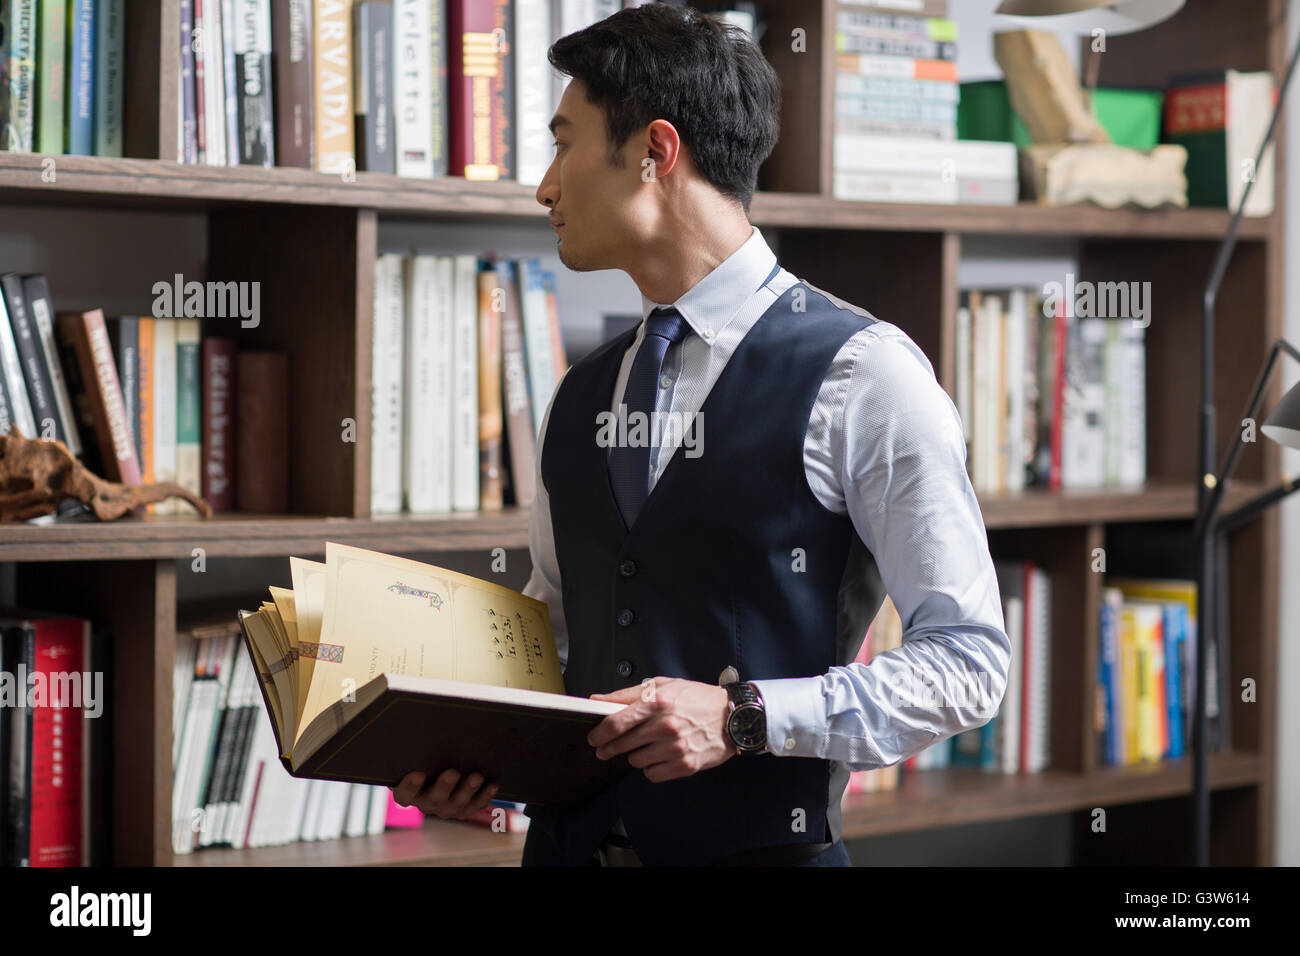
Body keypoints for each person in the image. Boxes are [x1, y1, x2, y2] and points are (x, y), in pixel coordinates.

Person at [392, 3, 1010, 867]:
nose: (544, 184)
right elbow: (564, 644)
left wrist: (744, 718)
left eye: (563, 141)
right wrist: (480, 761)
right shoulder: (579, 395)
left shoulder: (867, 375)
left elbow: (969, 665)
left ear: (655, 152)